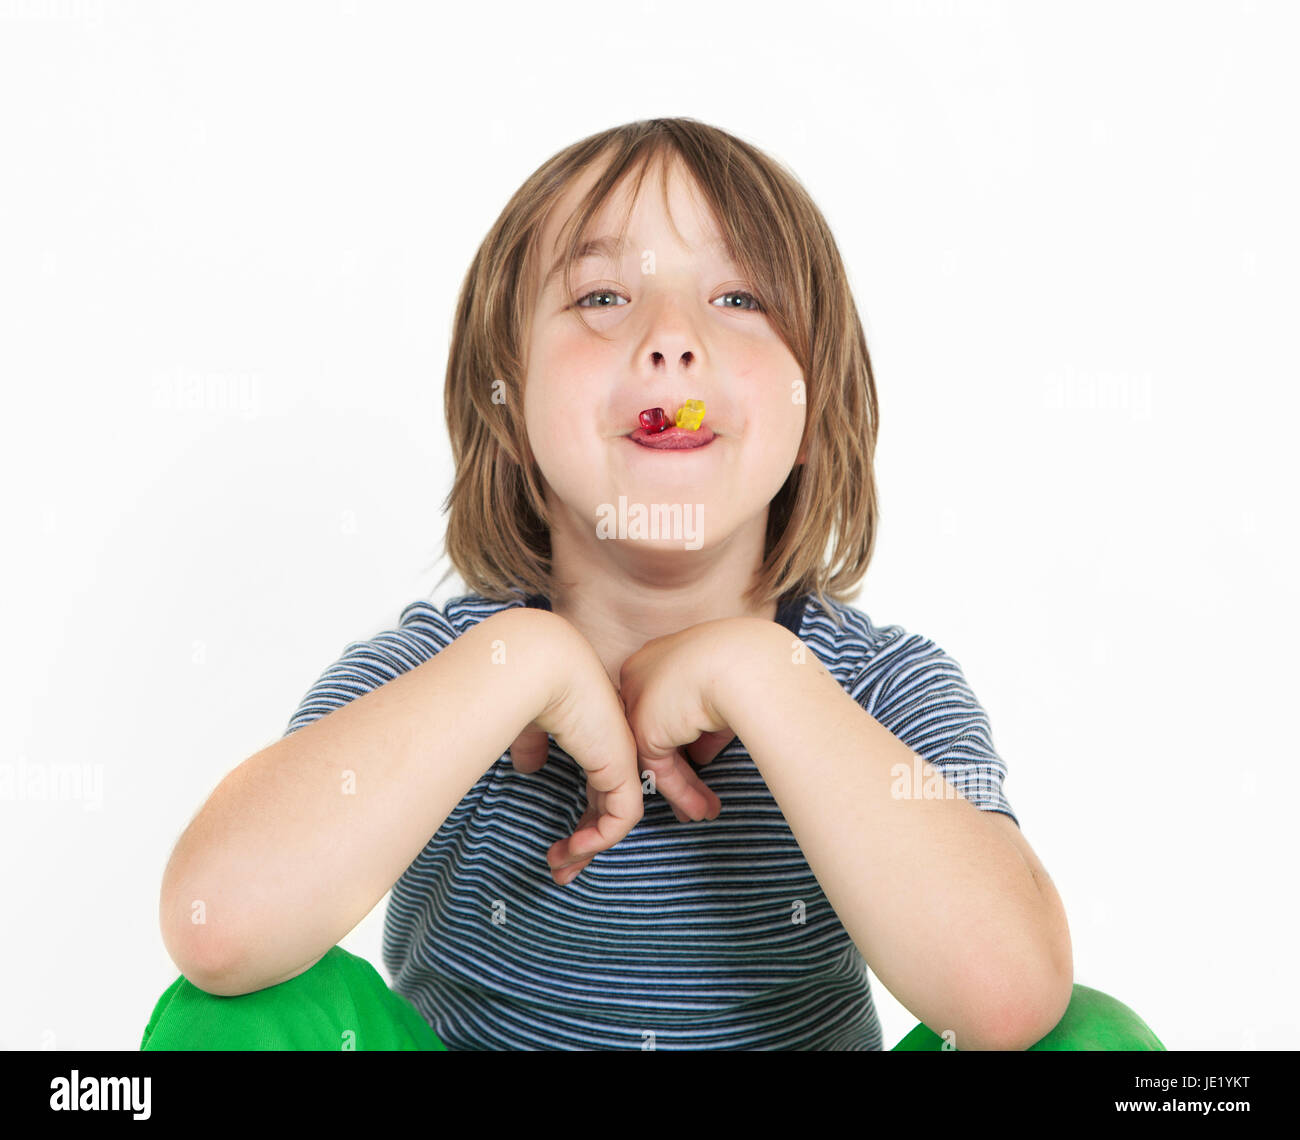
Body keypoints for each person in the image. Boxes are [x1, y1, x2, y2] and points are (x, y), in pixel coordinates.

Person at [144, 117, 1163, 1051]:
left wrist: (768, 679)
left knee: (1086, 1045)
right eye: (600, 297)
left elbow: (1008, 993)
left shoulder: (877, 689)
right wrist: (523, 662)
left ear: (816, 410)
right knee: (239, 1019)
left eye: (737, 298)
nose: (672, 337)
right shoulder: (445, 670)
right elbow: (219, 926)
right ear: (509, 402)